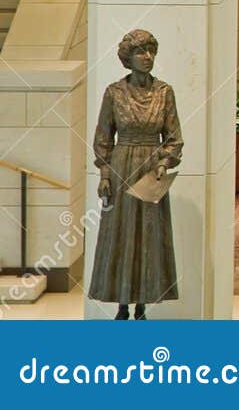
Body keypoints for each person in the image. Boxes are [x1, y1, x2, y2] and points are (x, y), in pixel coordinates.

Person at [89, 29, 182, 319]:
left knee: (149, 234)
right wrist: (105, 173)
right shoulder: (114, 93)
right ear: (127, 58)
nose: (147, 57)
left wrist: (165, 163)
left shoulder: (164, 92)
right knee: (121, 232)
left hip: (152, 168)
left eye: (151, 51)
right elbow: (104, 136)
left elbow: (174, 136)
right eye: (141, 52)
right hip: (121, 167)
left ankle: (143, 302)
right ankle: (121, 303)